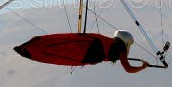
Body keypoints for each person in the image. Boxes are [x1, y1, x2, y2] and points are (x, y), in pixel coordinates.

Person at [14, 30, 150, 73]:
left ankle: (30, 48)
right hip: (85, 53)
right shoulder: (120, 48)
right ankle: (30, 50)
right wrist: (142, 67)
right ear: (126, 42)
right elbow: (128, 69)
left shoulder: (111, 43)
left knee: (58, 45)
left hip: (85, 45)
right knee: (59, 53)